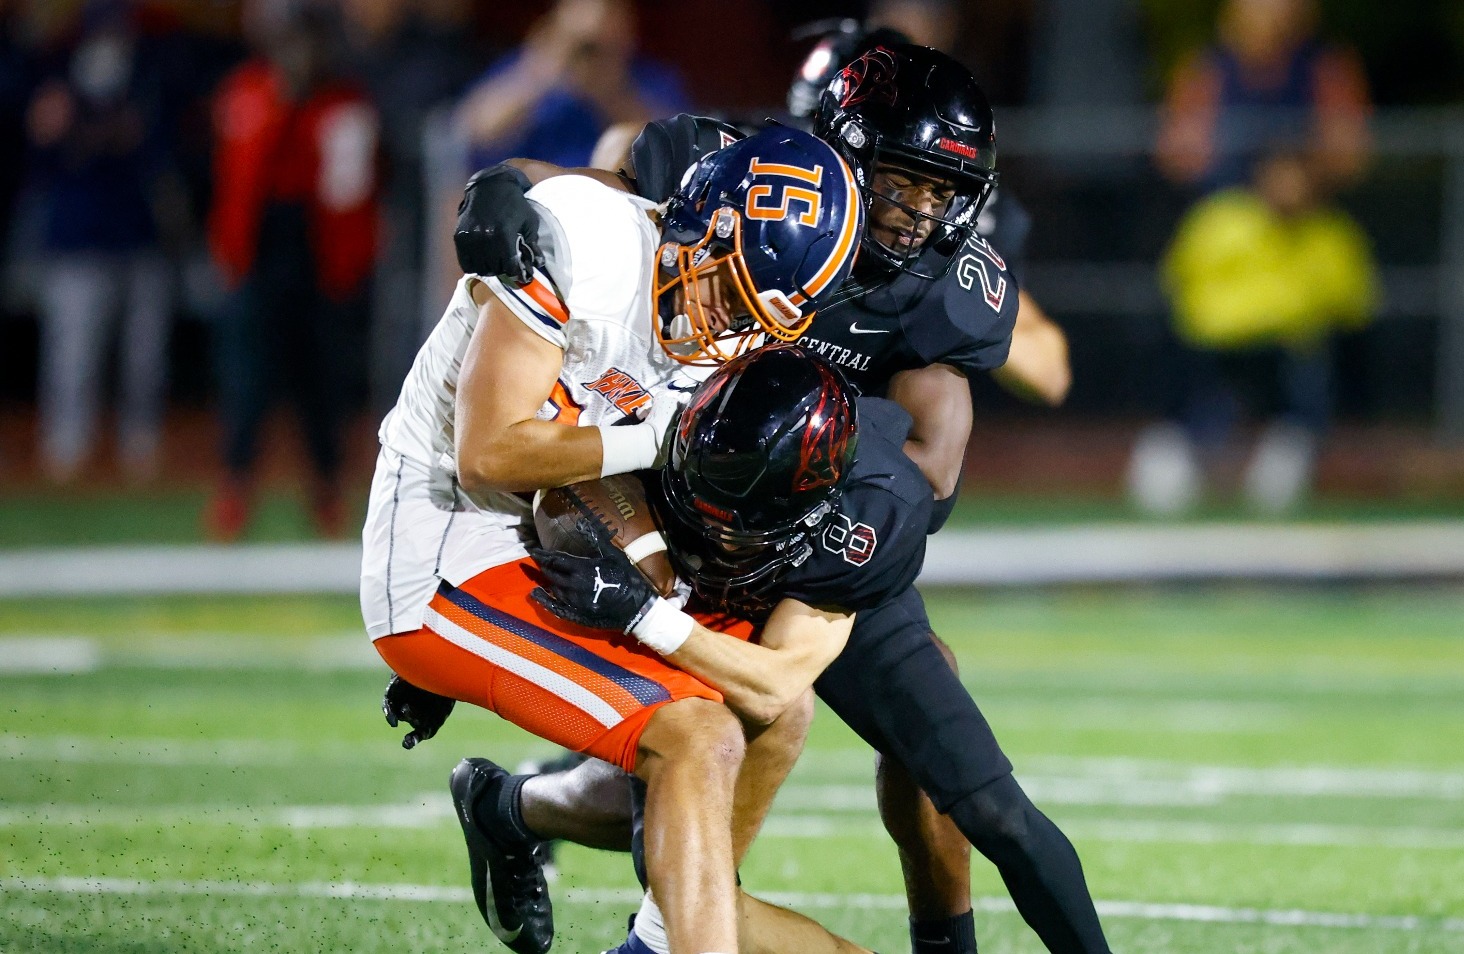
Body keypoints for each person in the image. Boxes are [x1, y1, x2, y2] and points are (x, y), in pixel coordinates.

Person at [438, 41, 1111, 954]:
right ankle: (528, 814)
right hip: (675, 509)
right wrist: (504, 190)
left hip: (813, 525)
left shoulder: (936, 295)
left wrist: (847, 501)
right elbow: (586, 195)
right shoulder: (756, 184)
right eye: (903, 180)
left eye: (939, 190)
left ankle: (937, 943)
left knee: (934, 742)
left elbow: (933, 468)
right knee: (681, 806)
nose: (918, 211)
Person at [363, 128, 867, 954]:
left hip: (565, 513)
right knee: (694, 737)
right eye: (729, 291)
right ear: (699, 226)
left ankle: (664, 932)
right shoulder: (588, 242)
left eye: (754, 318)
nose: (727, 328)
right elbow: (488, 449)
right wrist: (662, 436)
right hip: (447, 540)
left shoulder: (719, 327)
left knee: (774, 709)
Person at [205, 8, 379, 539]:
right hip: (258, 260)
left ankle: (327, 492)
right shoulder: (249, 90)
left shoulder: (345, 103)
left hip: (320, 263)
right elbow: (241, 170)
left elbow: (350, 191)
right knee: (245, 385)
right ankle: (235, 490)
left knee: (322, 386)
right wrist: (286, 100)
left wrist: (349, 270)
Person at [26, 0, 179, 483]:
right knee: (72, 354)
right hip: (78, 238)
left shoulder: (149, 78)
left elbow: (156, 148)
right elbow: (41, 155)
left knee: (144, 357)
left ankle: (141, 444)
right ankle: (66, 447)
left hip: (140, 235)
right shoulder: (55, 78)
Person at [455, 0, 686, 172]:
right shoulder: (530, 69)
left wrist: (609, 90)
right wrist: (545, 69)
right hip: (534, 206)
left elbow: (674, 148)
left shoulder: (650, 79)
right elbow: (475, 132)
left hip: (618, 207)